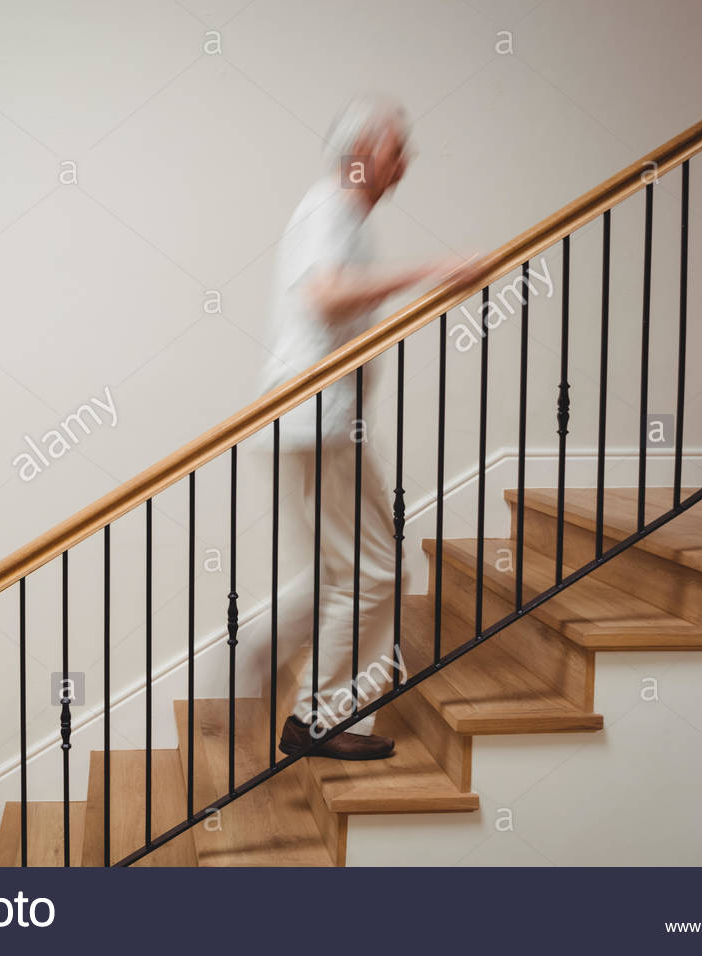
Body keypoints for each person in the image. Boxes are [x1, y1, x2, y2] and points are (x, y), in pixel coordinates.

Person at [246, 95, 474, 761]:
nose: (404, 163)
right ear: (363, 157)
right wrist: (436, 269)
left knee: (345, 567)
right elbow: (325, 294)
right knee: (376, 570)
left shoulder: (342, 215)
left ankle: (270, 650)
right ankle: (316, 716)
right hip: (314, 420)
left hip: (314, 421)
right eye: (395, 149)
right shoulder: (331, 206)